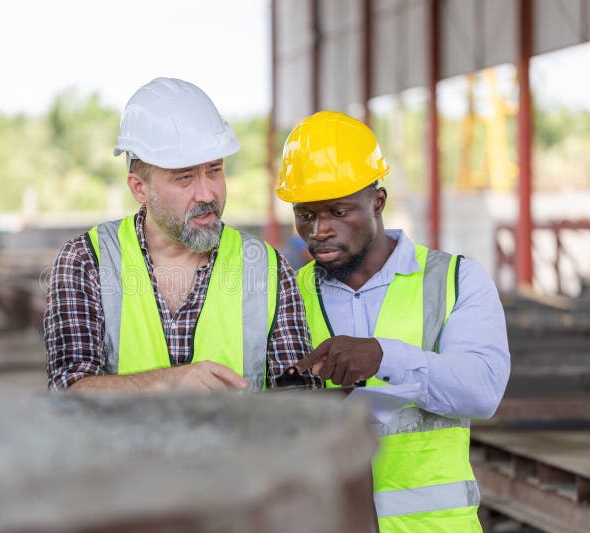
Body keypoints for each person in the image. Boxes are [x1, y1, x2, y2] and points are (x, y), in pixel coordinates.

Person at [277, 111, 510, 531]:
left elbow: (483, 389)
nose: (319, 230)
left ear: (378, 202)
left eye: (337, 211)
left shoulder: (454, 279)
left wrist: (386, 357)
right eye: (306, 214)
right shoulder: (287, 294)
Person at [44, 77, 317, 391]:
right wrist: (167, 384)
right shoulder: (85, 260)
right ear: (139, 188)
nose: (207, 193)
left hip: (240, 443)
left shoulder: (265, 266)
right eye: (185, 178)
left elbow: (300, 399)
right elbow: (68, 391)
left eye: (214, 169)